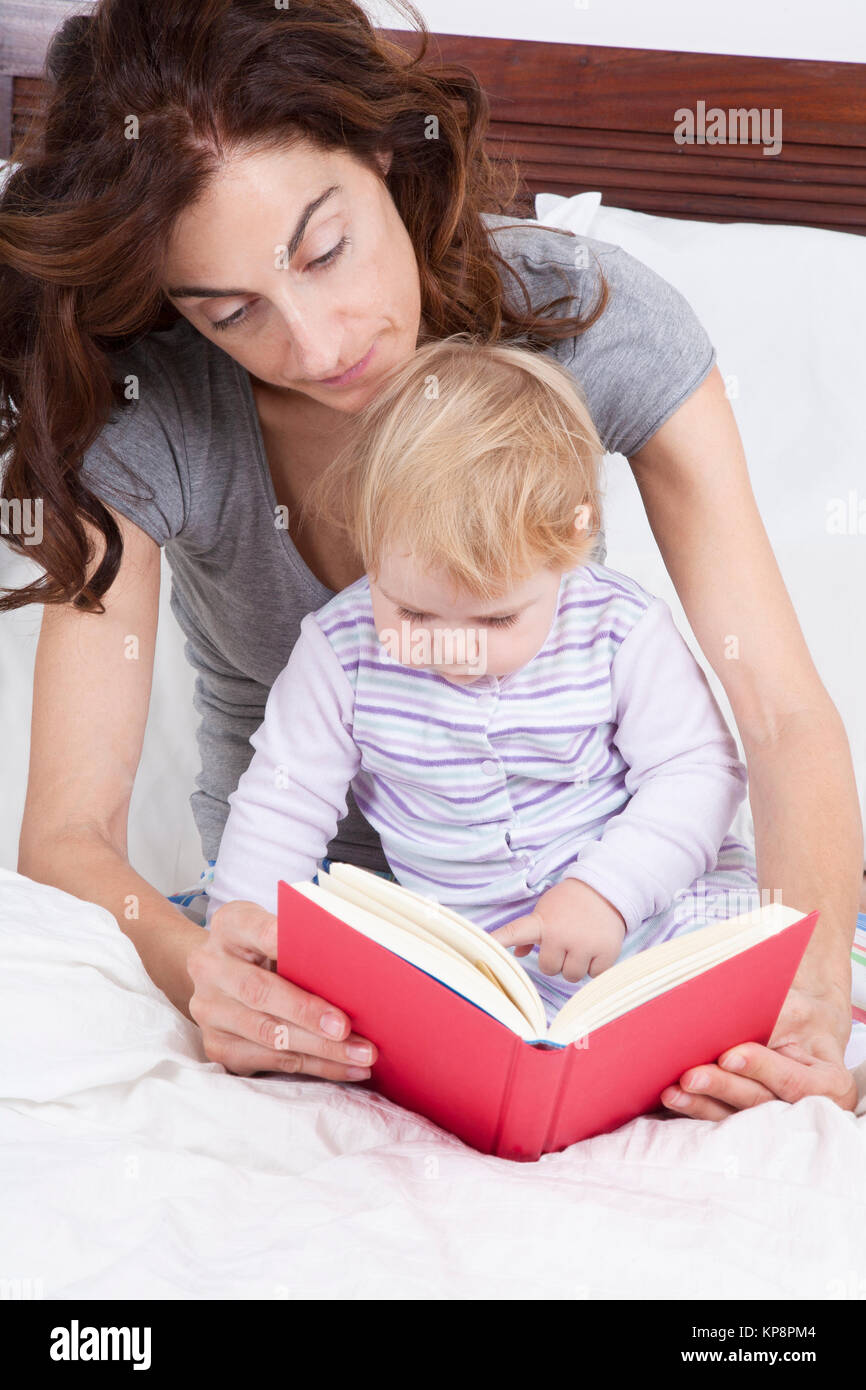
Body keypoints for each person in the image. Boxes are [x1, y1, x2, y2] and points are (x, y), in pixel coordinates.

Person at [2, 0, 860, 1119]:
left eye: (326, 250)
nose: (315, 346)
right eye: (229, 312)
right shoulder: (146, 407)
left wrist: (798, 996)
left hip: (604, 903)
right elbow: (68, 836)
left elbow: (778, 717)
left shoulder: (590, 323)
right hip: (324, 940)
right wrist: (201, 964)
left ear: (378, 151)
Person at [205, 333, 764, 1026]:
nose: (451, 648)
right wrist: (244, 935)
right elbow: (280, 806)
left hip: (653, 908)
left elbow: (699, 774)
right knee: (362, 1002)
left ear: (571, 544)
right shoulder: (339, 653)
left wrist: (607, 891)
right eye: (410, 610)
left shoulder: (619, 630)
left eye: (496, 621)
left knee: (747, 969)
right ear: (368, 540)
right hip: (473, 955)